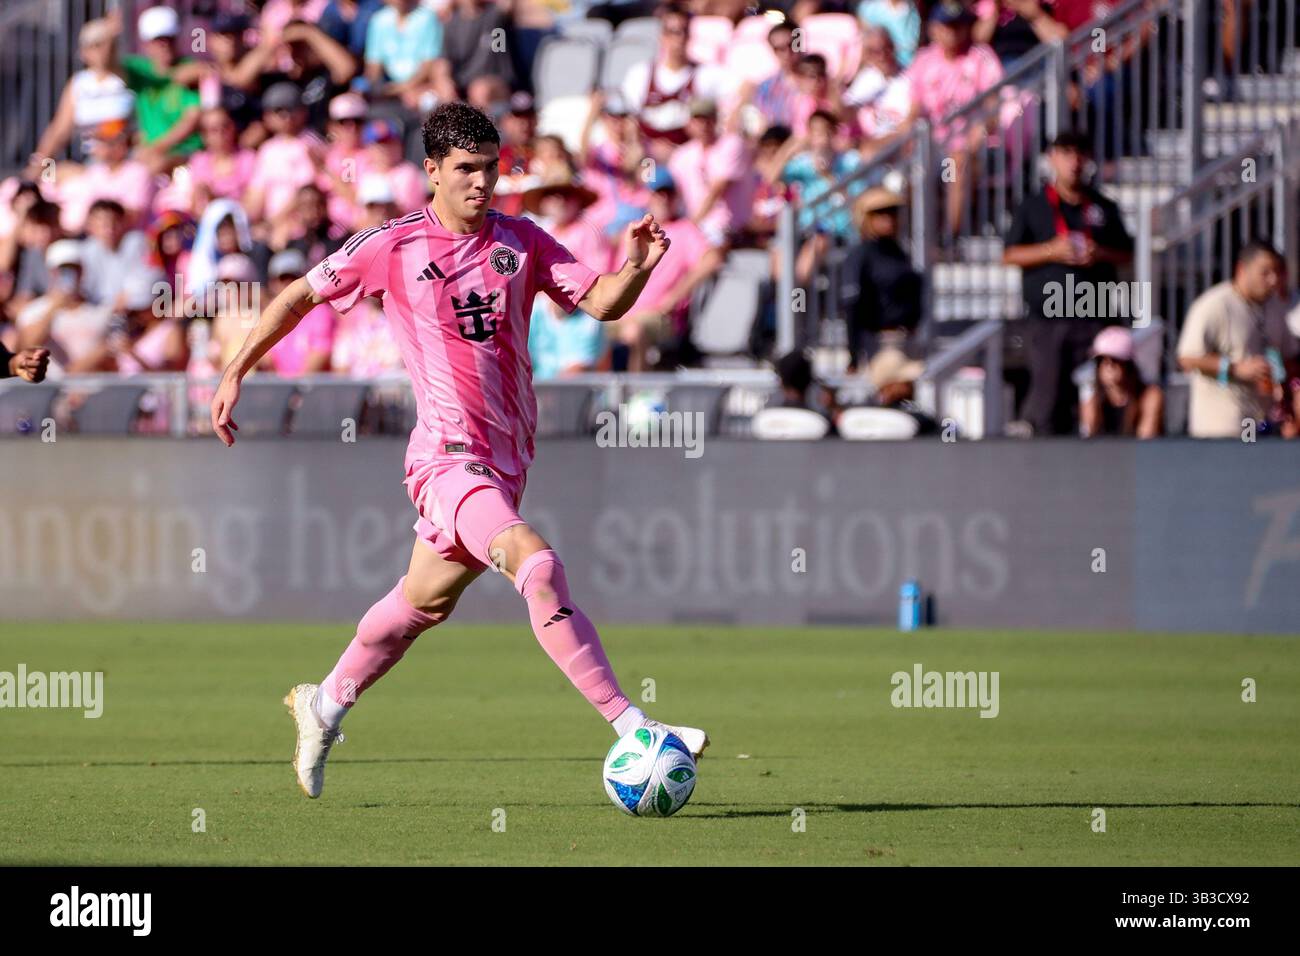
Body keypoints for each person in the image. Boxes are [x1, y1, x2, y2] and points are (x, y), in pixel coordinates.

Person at [209, 102, 708, 799]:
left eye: (490, 169)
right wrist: (236, 369)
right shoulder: (392, 246)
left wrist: (640, 267)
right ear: (432, 172)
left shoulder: (522, 241)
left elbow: (600, 303)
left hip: (507, 460)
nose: (481, 183)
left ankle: (322, 703)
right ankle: (636, 728)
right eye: (466, 170)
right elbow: (298, 297)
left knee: (422, 604)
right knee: (536, 564)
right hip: (445, 458)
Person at [1003, 131, 1134, 436]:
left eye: (1080, 154)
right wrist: (1051, 249)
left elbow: (1126, 252)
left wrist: (1099, 252)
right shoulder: (1033, 206)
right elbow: (1009, 254)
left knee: (1104, 394)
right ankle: (1045, 463)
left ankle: (1105, 459)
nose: (1074, 162)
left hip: (1095, 316)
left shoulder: (1103, 206)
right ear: (1052, 158)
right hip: (1049, 320)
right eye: (1066, 153)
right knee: (1049, 398)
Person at [1177, 241, 1300, 439]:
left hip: (1260, 423)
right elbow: (1187, 358)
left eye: (1276, 272)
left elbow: (1288, 357)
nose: (1273, 279)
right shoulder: (1215, 305)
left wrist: (1285, 391)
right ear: (1242, 269)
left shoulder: (1274, 307)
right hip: (1220, 427)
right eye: (1265, 272)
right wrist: (1235, 368)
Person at [1080, 325, 1163, 438]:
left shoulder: (1150, 396)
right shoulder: (1092, 401)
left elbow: (1146, 442)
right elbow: (1089, 442)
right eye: (1101, 360)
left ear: (1128, 365)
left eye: (1115, 360)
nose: (1108, 366)